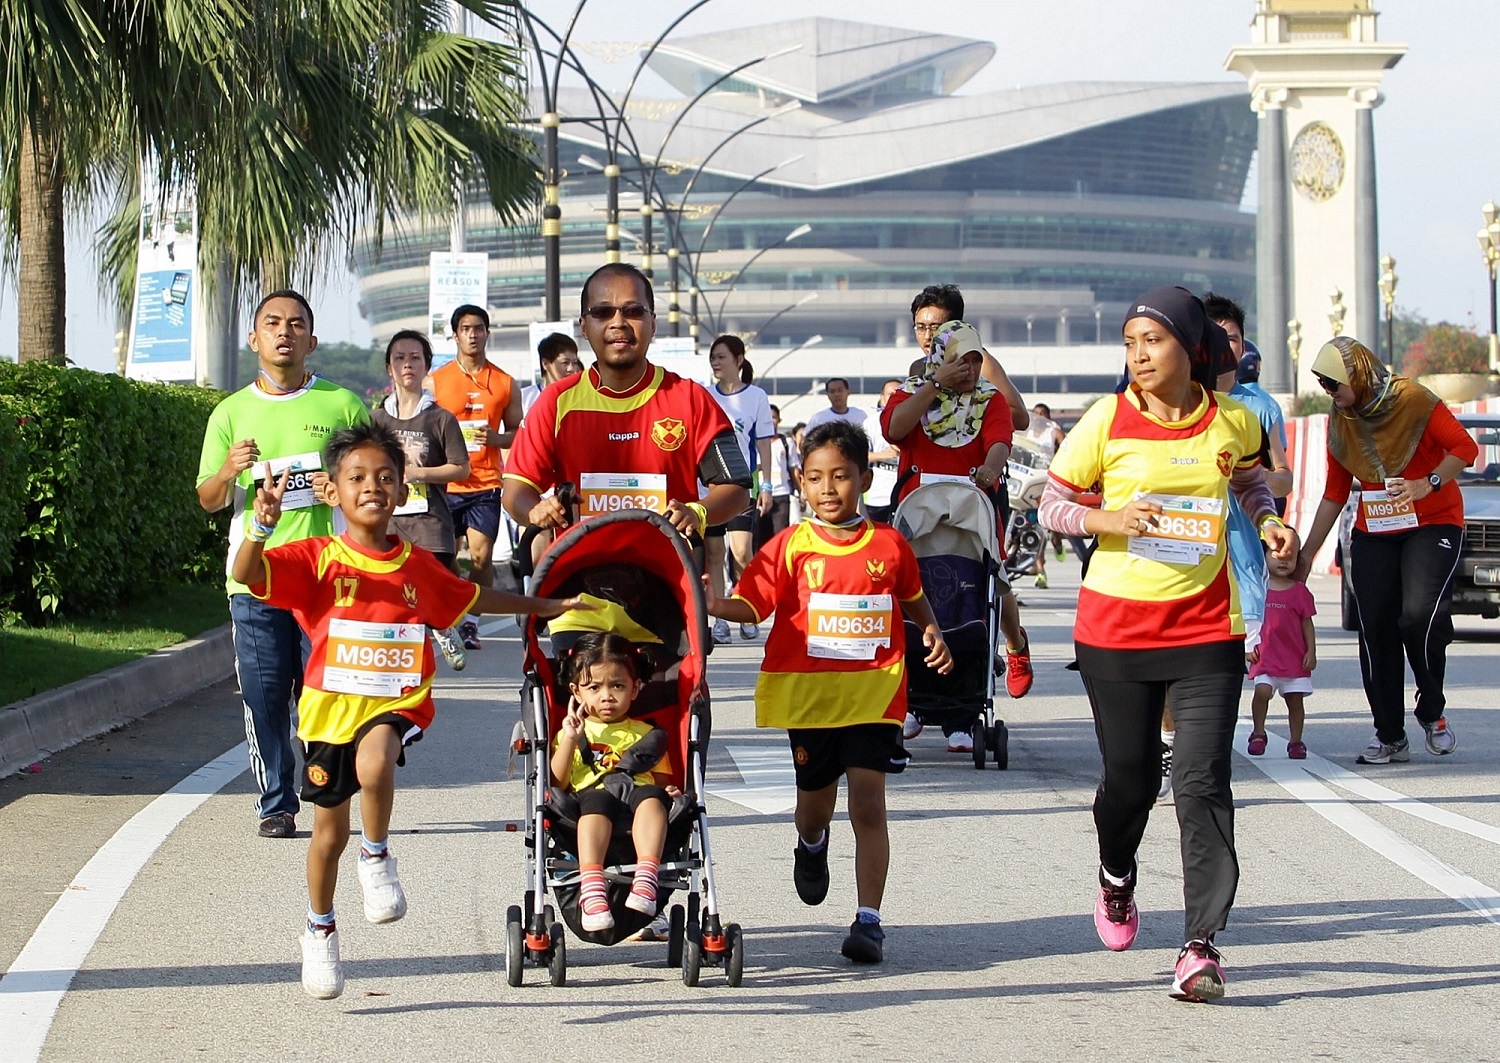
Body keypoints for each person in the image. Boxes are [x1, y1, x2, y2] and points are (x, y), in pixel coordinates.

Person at [231, 422, 585, 999]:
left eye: (385, 478)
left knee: (377, 763)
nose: (372, 486)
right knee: (326, 834)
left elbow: (474, 597)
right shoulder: (316, 558)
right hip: (327, 713)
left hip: (393, 702)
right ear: (333, 490)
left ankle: (377, 854)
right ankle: (319, 927)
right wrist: (260, 526)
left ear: (400, 492)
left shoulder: (418, 566)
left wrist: (549, 604)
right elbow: (250, 575)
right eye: (357, 477)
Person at [1038, 285, 1297, 1002]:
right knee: (1131, 778)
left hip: (1207, 627)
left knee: (1202, 779)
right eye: (1129, 344)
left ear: (1189, 345)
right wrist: (1109, 517)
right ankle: (1116, 874)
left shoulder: (1232, 420)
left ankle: (1200, 943)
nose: (1139, 356)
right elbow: (1052, 500)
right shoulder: (1106, 419)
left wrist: (1269, 521)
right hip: (1116, 631)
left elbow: (1248, 480)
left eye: (1151, 341)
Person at [703, 420, 953, 965]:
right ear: (800, 480)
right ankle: (812, 845)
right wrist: (716, 605)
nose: (828, 489)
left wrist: (931, 631)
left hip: (875, 694)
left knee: (868, 803)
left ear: (865, 478)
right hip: (811, 700)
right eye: (815, 478)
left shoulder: (888, 545)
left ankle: (869, 921)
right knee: (814, 806)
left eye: (840, 476)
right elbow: (753, 605)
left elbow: (911, 597)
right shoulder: (790, 546)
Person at [196, 289, 369, 839]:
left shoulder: (342, 405)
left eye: (296, 324)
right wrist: (227, 470)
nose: (284, 332)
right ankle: (275, 801)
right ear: (254, 339)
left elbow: (379, 483)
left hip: (327, 577)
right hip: (254, 578)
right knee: (266, 694)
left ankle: (324, 789)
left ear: (311, 340)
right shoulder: (230, 412)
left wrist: (339, 487)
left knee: (324, 691)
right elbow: (208, 497)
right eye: (273, 323)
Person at [1293, 336, 1476, 764]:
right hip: (1375, 528)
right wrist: (1304, 557)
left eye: (1334, 385)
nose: (1331, 395)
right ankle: (1389, 734)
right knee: (1374, 625)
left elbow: (1465, 448)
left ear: (1356, 374)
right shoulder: (1341, 421)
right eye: (1323, 387)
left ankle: (1433, 713)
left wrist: (1424, 483)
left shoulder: (1412, 399)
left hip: (1433, 522)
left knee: (1417, 617)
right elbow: (1335, 494)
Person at [502, 262, 751, 543]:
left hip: (670, 573)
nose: (618, 322)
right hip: (577, 572)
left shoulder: (691, 398)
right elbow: (515, 489)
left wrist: (698, 513)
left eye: (633, 311)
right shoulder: (556, 401)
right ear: (584, 326)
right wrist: (535, 511)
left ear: (653, 323)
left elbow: (737, 489)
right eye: (602, 312)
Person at [1158, 292, 1293, 802]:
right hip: (1180, 556)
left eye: (1231, 338)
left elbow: (1280, 478)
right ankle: (1172, 740)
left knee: (1226, 661)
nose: (1222, 347)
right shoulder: (1163, 402)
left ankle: (1200, 752)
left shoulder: (1256, 409)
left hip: (1243, 555)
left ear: (1241, 346)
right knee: (1174, 661)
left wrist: (1254, 489)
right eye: (1212, 338)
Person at [881, 319, 1035, 743]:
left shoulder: (989, 400)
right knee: (912, 600)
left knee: (981, 592)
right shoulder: (910, 393)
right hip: (917, 514)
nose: (968, 369)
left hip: (974, 510)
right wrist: (935, 384)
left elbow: (1001, 440)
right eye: (959, 361)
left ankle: (965, 710)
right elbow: (894, 429)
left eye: (973, 360)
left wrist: (991, 466)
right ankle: (911, 699)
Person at [550, 632, 680, 932]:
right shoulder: (573, 731)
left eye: (617, 686)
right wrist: (570, 739)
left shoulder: (647, 734)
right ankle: (592, 883)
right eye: (594, 687)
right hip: (590, 804)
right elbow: (556, 783)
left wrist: (667, 791)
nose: (606, 695)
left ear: (635, 689)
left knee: (653, 797)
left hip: (636, 804)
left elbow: (661, 781)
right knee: (597, 799)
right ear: (576, 692)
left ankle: (647, 875)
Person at [371, 329, 472, 670]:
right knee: (397, 602)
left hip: (431, 523)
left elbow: (461, 469)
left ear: (427, 366)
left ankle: (441, 623)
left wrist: (418, 474)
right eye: (399, 358)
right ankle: (405, 666)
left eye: (415, 358)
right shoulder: (377, 420)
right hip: (390, 523)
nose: (407, 365)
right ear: (389, 369)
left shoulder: (440, 418)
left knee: (424, 592)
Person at [430, 303, 524, 651]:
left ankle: (471, 622)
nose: (473, 334)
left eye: (479, 328)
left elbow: (518, 432)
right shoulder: (435, 382)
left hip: (485, 481)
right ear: (455, 335)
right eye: (466, 329)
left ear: (487, 333)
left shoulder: (503, 383)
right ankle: (454, 604)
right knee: (444, 556)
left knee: (482, 557)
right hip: (445, 483)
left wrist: (496, 439)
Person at [703, 335, 774, 645]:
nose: (716, 363)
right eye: (713, 358)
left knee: (742, 551)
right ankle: (720, 619)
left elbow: (763, 443)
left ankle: (745, 609)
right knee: (715, 552)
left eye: (721, 357)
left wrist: (767, 484)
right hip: (709, 488)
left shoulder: (756, 396)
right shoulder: (704, 395)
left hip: (742, 485)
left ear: (738, 360)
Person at [909, 283, 1029, 431]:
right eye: (920, 327)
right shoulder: (918, 368)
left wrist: (966, 411)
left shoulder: (980, 363)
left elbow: (1021, 418)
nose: (927, 336)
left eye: (935, 327)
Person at [1247, 546, 1317, 760]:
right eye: (1277, 556)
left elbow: (1307, 624)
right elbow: (1248, 618)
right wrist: (1247, 645)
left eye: (1290, 557)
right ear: (1265, 556)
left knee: (1295, 700)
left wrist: (1311, 652)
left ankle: (1296, 741)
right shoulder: (1258, 588)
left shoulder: (1299, 591)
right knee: (1262, 692)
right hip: (1264, 656)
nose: (1283, 561)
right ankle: (1258, 732)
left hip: (1294, 658)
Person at [1022, 402, 1067, 587]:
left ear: (1048, 416)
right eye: (1037, 413)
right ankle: (1040, 570)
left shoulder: (1053, 430)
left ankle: (1057, 541)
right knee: (1034, 526)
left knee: (1051, 520)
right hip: (1030, 483)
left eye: (1043, 413)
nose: (1039, 416)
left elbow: (1067, 450)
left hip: (1049, 481)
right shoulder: (1027, 431)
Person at [758, 404, 799, 545]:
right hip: (761, 495)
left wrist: (801, 491)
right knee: (761, 537)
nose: (771, 421)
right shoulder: (756, 443)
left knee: (780, 537)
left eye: (773, 417)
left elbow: (794, 469)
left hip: (782, 494)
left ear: (779, 420)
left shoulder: (787, 443)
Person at [522, 332, 584, 419]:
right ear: (545, 364)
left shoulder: (582, 398)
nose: (571, 368)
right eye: (565, 363)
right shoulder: (525, 398)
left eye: (574, 363)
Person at [865, 380, 903, 521]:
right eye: (890, 394)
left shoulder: (917, 420)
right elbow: (861, 456)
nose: (894, 398)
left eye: (898, 394)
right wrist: (884, 455)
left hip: (906, 492)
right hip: (878, 495)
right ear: (882, 398)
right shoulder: (871, 423)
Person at [804, 377, 868, 433]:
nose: (836, 394)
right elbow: (805, 440)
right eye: (832, 391)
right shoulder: (818, 418)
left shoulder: (860, 415)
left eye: (840, 390)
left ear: (848, 391)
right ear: (827, 395)